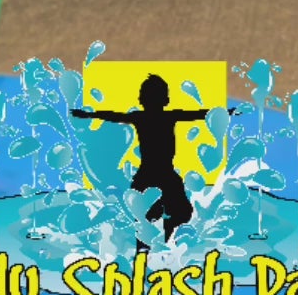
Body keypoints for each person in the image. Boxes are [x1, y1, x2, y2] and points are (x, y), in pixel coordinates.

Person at [71, 73, 208, 241]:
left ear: (142, 99)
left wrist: (90, 115)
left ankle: (158, 223)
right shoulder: (163, 116)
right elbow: (199, 114)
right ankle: (158, 225)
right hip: (158, 173)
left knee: (165, 213)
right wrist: (224, 113)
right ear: (166, 99)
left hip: (152, 174)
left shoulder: (145, 117)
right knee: (176, 212)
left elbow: (114, 116)